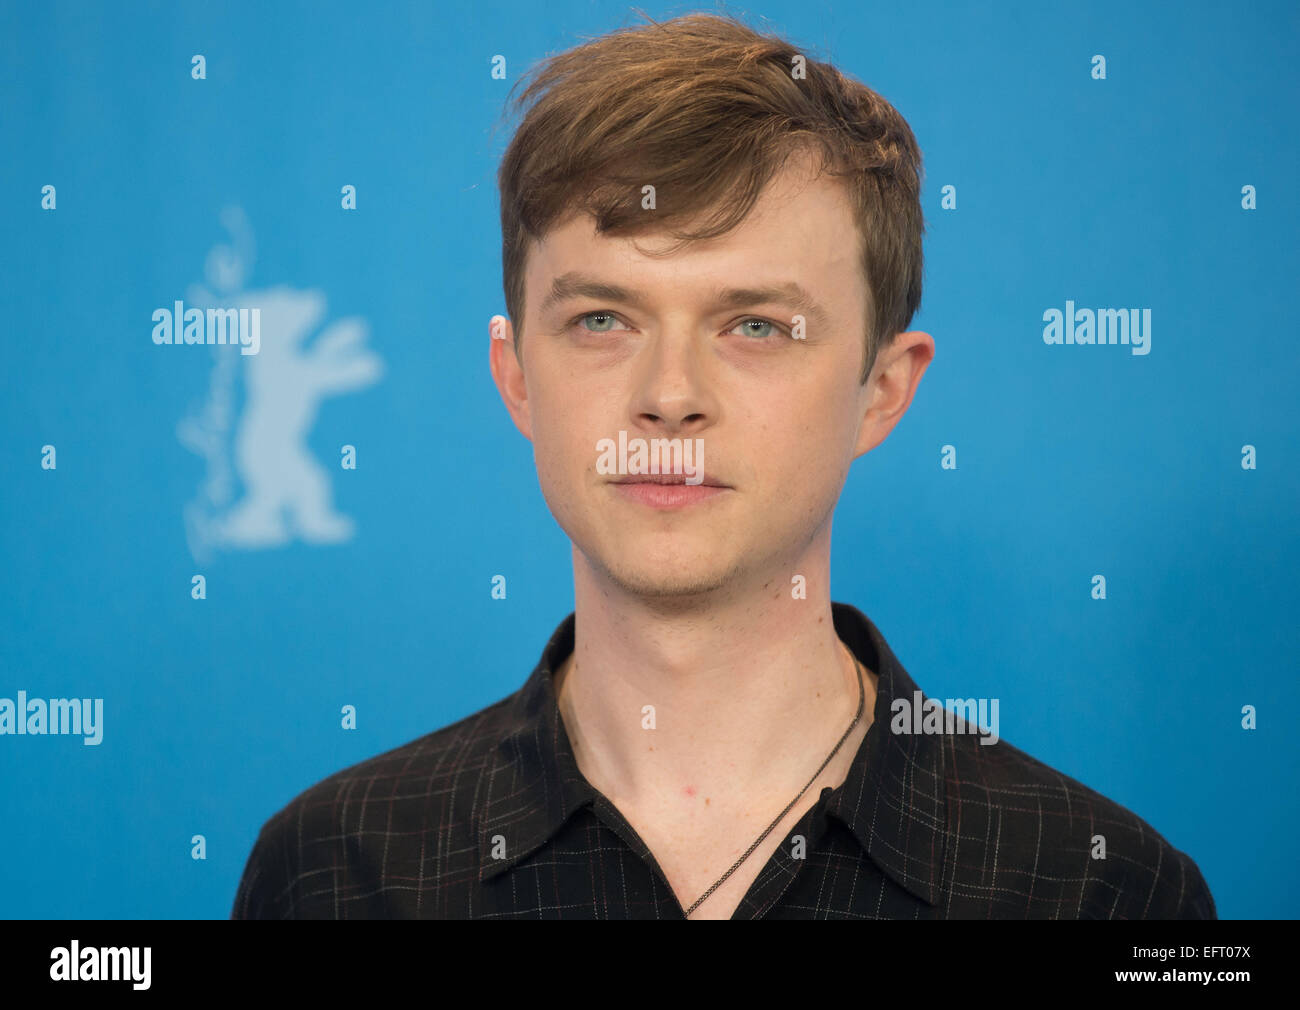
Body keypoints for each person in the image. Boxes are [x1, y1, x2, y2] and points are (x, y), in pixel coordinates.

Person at [232, 12, 1215, 919]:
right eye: (602, 318)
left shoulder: (1102, 890)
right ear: (516, 374)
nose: (668, 393)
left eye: (753, 324)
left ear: (882, 387)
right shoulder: (334, 871)